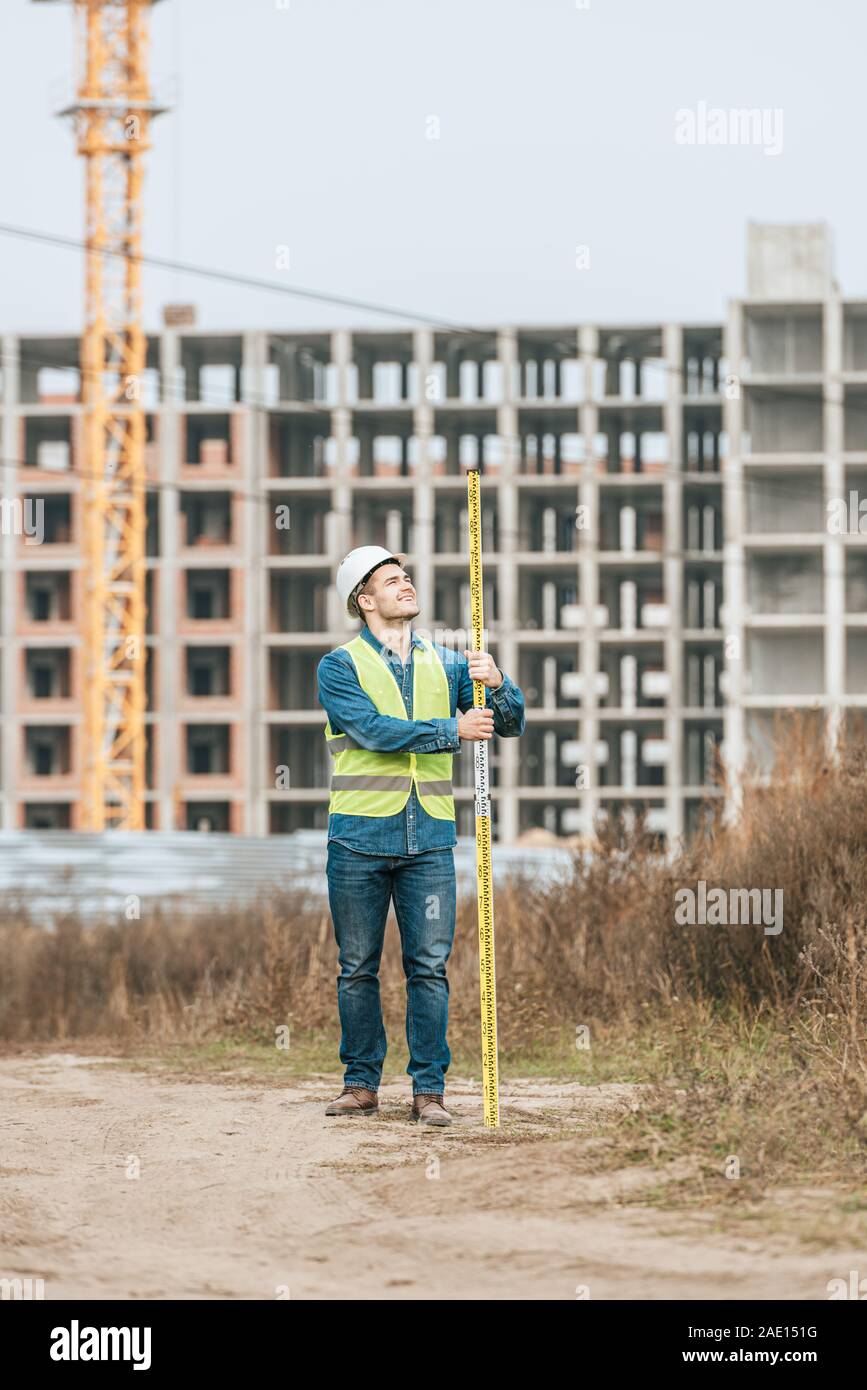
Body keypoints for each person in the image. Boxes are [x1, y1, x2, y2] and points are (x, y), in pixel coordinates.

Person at [316, 545, 526, 1125]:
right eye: (391, 580)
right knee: (357, 966)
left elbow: (508, 724)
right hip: (357, 841)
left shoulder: (450, 665)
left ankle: (427, 1092)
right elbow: (373, 731)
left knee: (428, 969)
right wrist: (450, 729)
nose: (406, 585)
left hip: (429, 841)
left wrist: (499, 681)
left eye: (407, 577)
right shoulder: (339, 667)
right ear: (365, 600)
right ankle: (360, 1085)